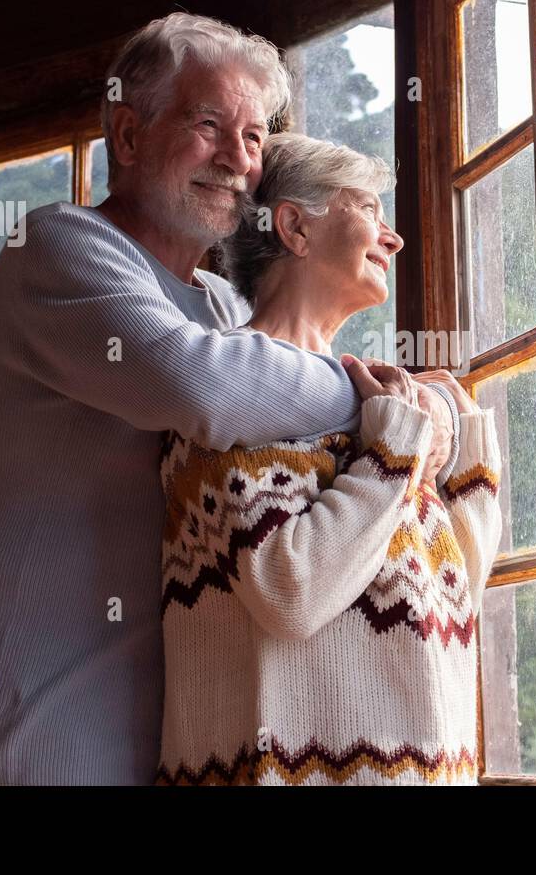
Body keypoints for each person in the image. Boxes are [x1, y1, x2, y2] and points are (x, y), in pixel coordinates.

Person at [0, 14, 463, 785]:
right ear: (129, 134)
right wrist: (391, 409)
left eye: (253, 139)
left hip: (181, 737)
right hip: (44, 730)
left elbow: (264, 382)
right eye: (209, 124)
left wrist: (415, 405)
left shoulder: (216, 303)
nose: (237, 160)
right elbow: (202, 384)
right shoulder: (58, 248)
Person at [157, 134, 503, 785]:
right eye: (370, 208)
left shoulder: (369, 411)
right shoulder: (234, 393)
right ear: (295, 226)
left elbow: (455, 600)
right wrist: (396, 450)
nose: (393, 239)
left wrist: (465, 439)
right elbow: (292, 593)